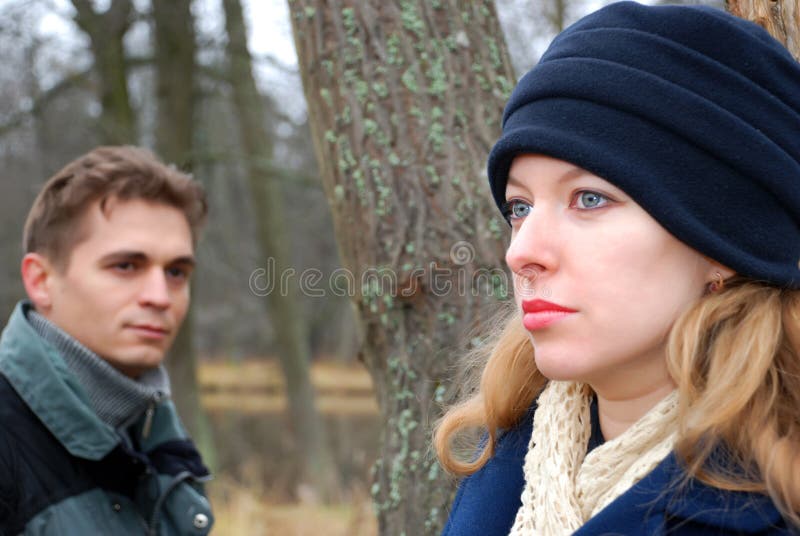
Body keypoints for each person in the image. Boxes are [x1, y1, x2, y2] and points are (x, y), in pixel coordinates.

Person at [434, 2, 800, 535]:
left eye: (589, 199)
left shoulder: (768, 514)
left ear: (723, 239)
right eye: (520, 207)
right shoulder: (508, 468)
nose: (521, 252)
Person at [0, 146, 214, 535]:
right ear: (41, 281)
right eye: (126, 266)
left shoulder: (155, 434)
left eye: (176, 272)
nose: (160, 297)